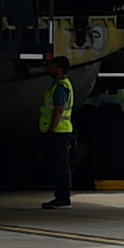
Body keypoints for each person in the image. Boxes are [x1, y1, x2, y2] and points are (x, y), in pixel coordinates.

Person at [38, 54, 77, 210]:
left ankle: (62, 197)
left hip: (58, 132)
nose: (49, 68)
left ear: (60, 69)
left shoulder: (61, 87)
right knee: (59, 165)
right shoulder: (59, 85)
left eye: (52, 66)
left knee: (60, 166)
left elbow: (59, 109)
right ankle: (61, 196)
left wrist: (52, 128)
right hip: (60, 131)